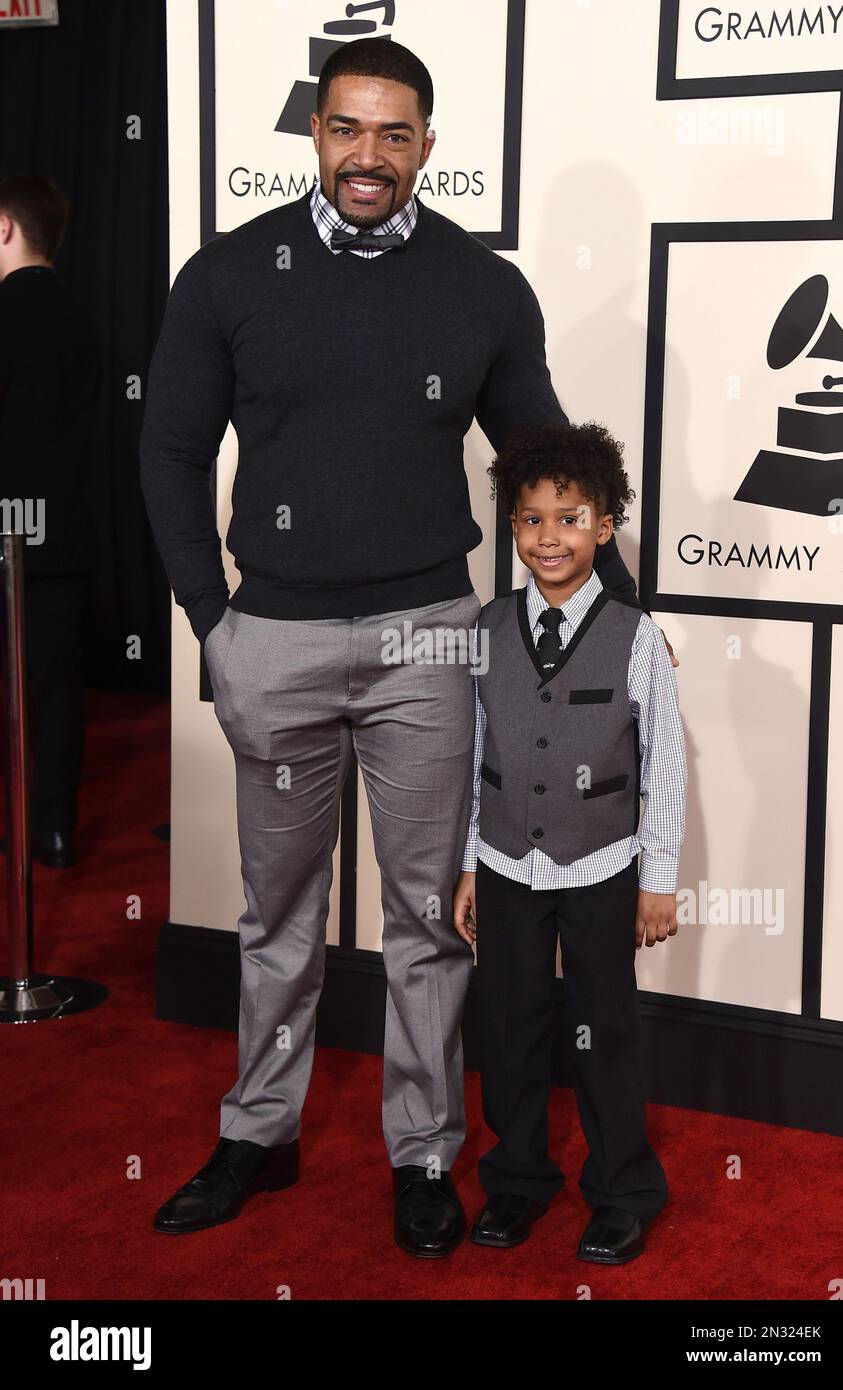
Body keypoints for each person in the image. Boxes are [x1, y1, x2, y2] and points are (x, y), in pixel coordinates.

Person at [140, 38, 640, 1257]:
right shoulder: (228, 274)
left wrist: (620, 620)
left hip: (429, 643)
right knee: (278, 914)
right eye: (348, 129)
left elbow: (544, 462)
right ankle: (260, 1131)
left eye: (395, 134)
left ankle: (423, 1151)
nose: (369, 156)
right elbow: (168, 451)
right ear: (316, 130)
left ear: (427, 144)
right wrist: (214, 618)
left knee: (427, 916)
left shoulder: (478, 286)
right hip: (278, 634)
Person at [453, 420, 686, 1262]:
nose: (547, 537)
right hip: (506, 863)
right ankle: (514, 1181)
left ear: (603, 525)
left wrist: (658, 879)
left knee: (603, 1029)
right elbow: (473, 755)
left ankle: (623, 1189)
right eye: (529, 520)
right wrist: (466, 865)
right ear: (513, 529)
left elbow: (664, 762)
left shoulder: (635, 636)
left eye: (568, 517)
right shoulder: (484, 628)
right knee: (507, 1027)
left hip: (602, 867)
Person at [0, 175, 102, 869]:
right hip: (64, 535)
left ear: (5, 229)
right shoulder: (82, 320)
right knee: (58, 688)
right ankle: (54, 830)